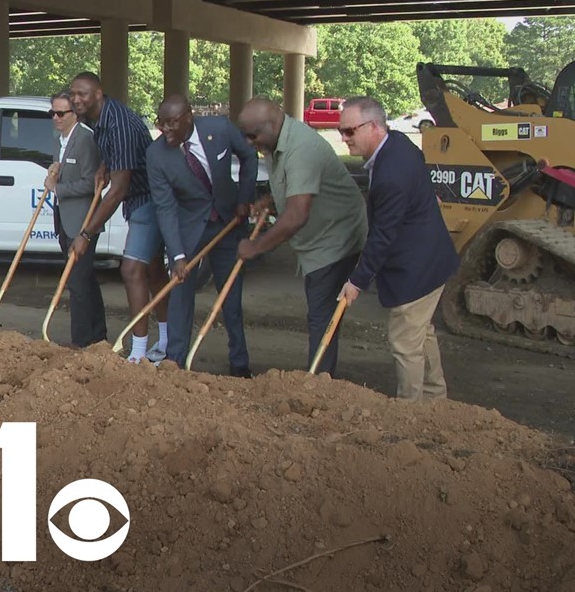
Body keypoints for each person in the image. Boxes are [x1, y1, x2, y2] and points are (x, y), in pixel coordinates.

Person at [336, 96, 459, 401]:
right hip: (430, 258)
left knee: (404, 341)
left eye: (349, 131)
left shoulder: (391, 174)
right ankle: (435, 399)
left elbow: (383, 236)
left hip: (417, 268)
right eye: (341, 131)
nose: (344, 138)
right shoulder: (399, 144)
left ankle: (409, 411)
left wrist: (356, 281)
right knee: (420, 333)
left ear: (373, 126)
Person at [236, 98, 367, 377]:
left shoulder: (301, 148)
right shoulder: (274, 142)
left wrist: (256, 247)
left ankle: (319, 383)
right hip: (320, 236)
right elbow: (295, 188)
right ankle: (320, 377)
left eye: (252, 135)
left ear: (271, 125)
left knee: (322, 314)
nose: (248, 142)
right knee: (321, 312)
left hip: (335, 237)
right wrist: (272, 201)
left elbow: (296, 216)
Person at [146, 94, 258, 377]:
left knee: (230, 296)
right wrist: (177, 255)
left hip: (228, 223)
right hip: (189, 228)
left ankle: (240, 363)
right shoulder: (156, 154)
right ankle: (175, 362)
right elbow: (165, 207)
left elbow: (248, 156)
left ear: (188, 116)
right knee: (180, 295)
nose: (165, 130)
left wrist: (245, 198)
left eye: (172, 123)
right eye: (161, 123)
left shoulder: (219, 128)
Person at [67, 72, 170, 363]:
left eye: (83, 94)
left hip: (148, 199)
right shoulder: (98, 119)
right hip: (139, 199)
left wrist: (86, 234)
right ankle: (167, 341)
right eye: (73, 93)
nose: (76, 99)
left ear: (99, 94)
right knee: (153, 269)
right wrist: (106, 164)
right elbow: (120, 155)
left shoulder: (118, 123)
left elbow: (118, 190)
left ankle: (138, 352)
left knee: (131, 270)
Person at [43, 91, 106, 348]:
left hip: (83, 222)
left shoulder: (85, 139)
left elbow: (93, 183)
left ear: (74, 114)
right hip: (64, 219)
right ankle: (98, 336)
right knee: (85, 279)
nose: (56, 118)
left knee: (77, 282)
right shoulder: (60, 139)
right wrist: (54, 173)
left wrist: (58, 188)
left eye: (61, 113)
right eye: (53, 113)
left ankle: (81, 342)